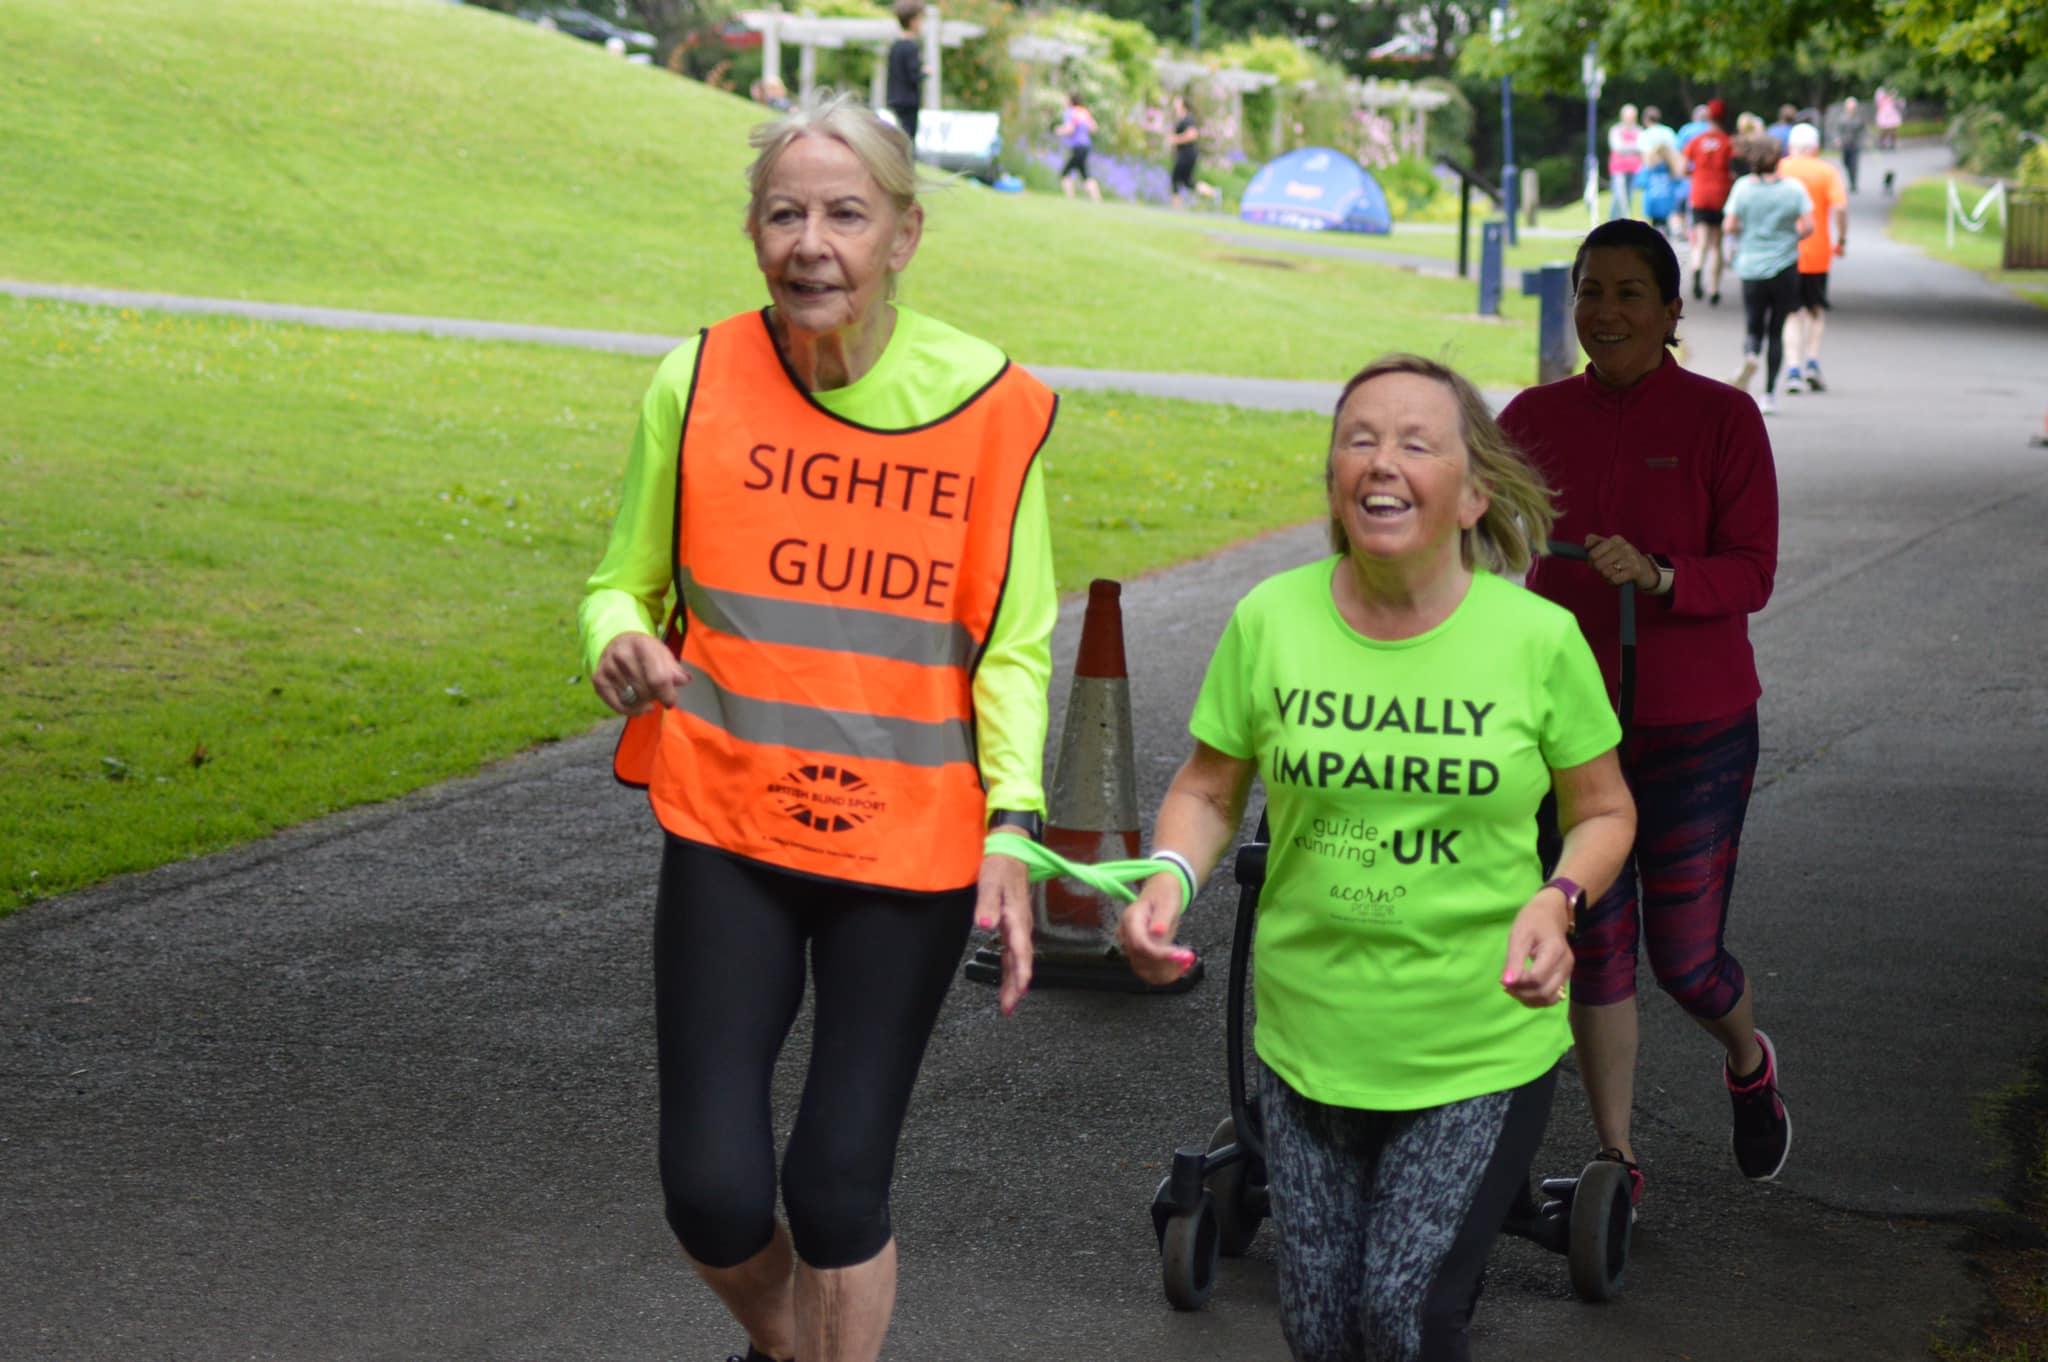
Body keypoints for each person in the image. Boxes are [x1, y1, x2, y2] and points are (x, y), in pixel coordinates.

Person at [578, 90, 1060, 1362]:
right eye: (785, 213)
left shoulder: (990, 403)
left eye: (845, 214)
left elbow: (1008, 642)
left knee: (838, 1184)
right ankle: (790, 1343)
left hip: (906, 847)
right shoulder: (696, 378)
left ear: (902, 234)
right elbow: (617, 582)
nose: (812, 243)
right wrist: (614, 642)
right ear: (752, 235)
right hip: (729, 821)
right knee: (714, 1193)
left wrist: (1011, 826)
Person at [1119, 354, 1637, 1362]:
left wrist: (1558, 896)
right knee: (1318, 1331)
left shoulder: (1536, 641)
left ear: (1473, 490)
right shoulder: (1271, 620)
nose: (1378, 462)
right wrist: (1167, 881)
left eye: (1413, 442)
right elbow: (1208, 787)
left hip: (1473, 1049)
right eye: (1356, 439)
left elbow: (1603, 810)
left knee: (1403, 1319)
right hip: (1308, 1048)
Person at [1497, 218, 1790, 1219]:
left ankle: (1748, 1061)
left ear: (1671, 313)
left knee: (1685, 961)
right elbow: (1482, 539)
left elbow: (1751, 571)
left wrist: (1660, 574)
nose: (1604, 310)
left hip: (1694, 727)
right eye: (1588, 290)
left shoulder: (1721, 418)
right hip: (1570, 734)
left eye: (1628, 293)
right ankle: (1614, 1162)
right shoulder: (1532, 414)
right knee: (1596, 944)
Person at [1724, 136, 1815, 414]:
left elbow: (1729, 226)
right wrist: (1790, 237)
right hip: (1785, 266)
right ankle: (1768, 396)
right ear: (1779, 159)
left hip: (1751, 266)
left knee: (1754, 325)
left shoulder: (1743, 188)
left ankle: (1751, 355)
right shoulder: (1794, 189)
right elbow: (1809, 226)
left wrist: (1748, 234)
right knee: (1776, 330)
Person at [1776, 123, 1848, 395]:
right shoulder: (1827, 171)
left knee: (1792, 314)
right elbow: (1840, 206)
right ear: (1816, 147)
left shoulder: (1781, 168)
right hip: (1818, 252)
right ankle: (1812, 363)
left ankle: (1792, 369)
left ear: (1791, 146)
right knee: (1815, 311)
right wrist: (1840, 239)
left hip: (1786, 252)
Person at [1684, 99, 1736, 305]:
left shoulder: (1696, 141)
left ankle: (1697, 268)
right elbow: (1733, 168)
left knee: (1701, 241)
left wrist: (1695, 172)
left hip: (1700, 194)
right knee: (1716, 244)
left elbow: (1682, 167)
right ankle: (1714, 289)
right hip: (1721, 195)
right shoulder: (1727, 142)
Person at [1636, 105, 1684, 239]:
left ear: (1645, 120)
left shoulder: (1645, 135)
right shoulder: (1668, 132)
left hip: (1652, 195)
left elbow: (1643, 162)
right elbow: (1676, 152)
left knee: (1654, 226)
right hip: (1668, 182)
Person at [1166, 93, 1217, 208]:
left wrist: (1176, 139)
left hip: (1188, 153)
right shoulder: (1179, 119)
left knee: (1176, 178)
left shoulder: (1188, 119)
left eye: (1177, 101)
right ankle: (1212, 192)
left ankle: (1176, 207)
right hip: (1182, 153)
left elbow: (1192, 135)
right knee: (1187, 181)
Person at [884, 0, 924, 149]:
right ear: (913, 21)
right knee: (908, 140)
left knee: (900, 136)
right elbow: (914, 75)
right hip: (908, 101)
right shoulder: (911, 46)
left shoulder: (895, 45)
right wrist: (925, 72)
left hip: (895, 98)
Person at [1055, 90, 1102, 202]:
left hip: (1078, 147)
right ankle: (1097, 199)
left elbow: (1070, 129)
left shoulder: (1070, 112)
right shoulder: (1083, 112)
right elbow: (1094, 128)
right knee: (1085, 174)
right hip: (1086, 146)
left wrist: (1059, 130)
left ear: (1070, 101)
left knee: (1065, 173)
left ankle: (1070, 198)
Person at [1608, 103, 1644, 220]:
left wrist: (1627, 147)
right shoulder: (1616, 130)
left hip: (1634, 169)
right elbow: (1617, 148)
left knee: (1629, 196)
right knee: (1619, 196)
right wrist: (1634, 148)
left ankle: (1622, 222)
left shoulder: (1639, 130)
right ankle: (1614, 220)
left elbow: (1641, 147)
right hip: (1618, 168)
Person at [1835, 95, 1867, 193]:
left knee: (1854, 164)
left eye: (1853, 108)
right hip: (1845, 144)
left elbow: (1863, 131)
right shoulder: (1842, 118)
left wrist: (1864, 140)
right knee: (1846, 163)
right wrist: (1837, 139)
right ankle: (1851, 178)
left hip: (1855, 144)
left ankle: (1853, 184)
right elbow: (1838, 131)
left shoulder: (1859, 118)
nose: (1851, 109)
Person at [1874, 86, 1903, 151]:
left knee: (1893, 129)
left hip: (1891, 113)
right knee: (1884, 129)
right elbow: (1878, 101)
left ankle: (1892, 143)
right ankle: (1881, 143)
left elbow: (1897, 101)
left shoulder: (1893, 90)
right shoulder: (1881, 91)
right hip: (1884, 113)